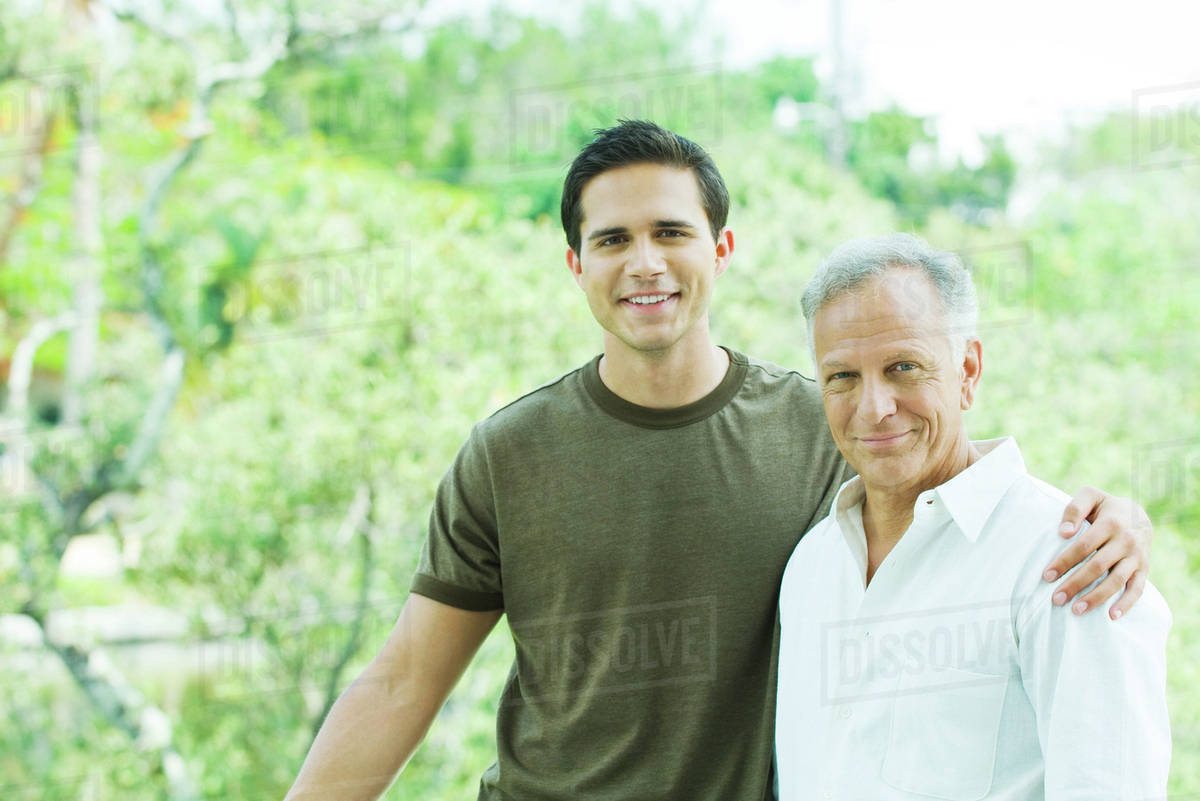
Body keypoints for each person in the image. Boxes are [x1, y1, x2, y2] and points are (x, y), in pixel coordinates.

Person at [284, 121, 1155, 801]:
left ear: (720, 250)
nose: (645, 262)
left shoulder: (822, 423)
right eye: (614, 239)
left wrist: (1120, 519)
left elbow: (954, 490)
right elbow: (401, 680)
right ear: (575, 264)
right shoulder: (508, 453)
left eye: (671, 230)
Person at [775, 234, 1171, 800]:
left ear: (968, 370)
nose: (874, 407)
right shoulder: (811, 564)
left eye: (904, 367)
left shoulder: (1074, 562)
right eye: (842, 376)